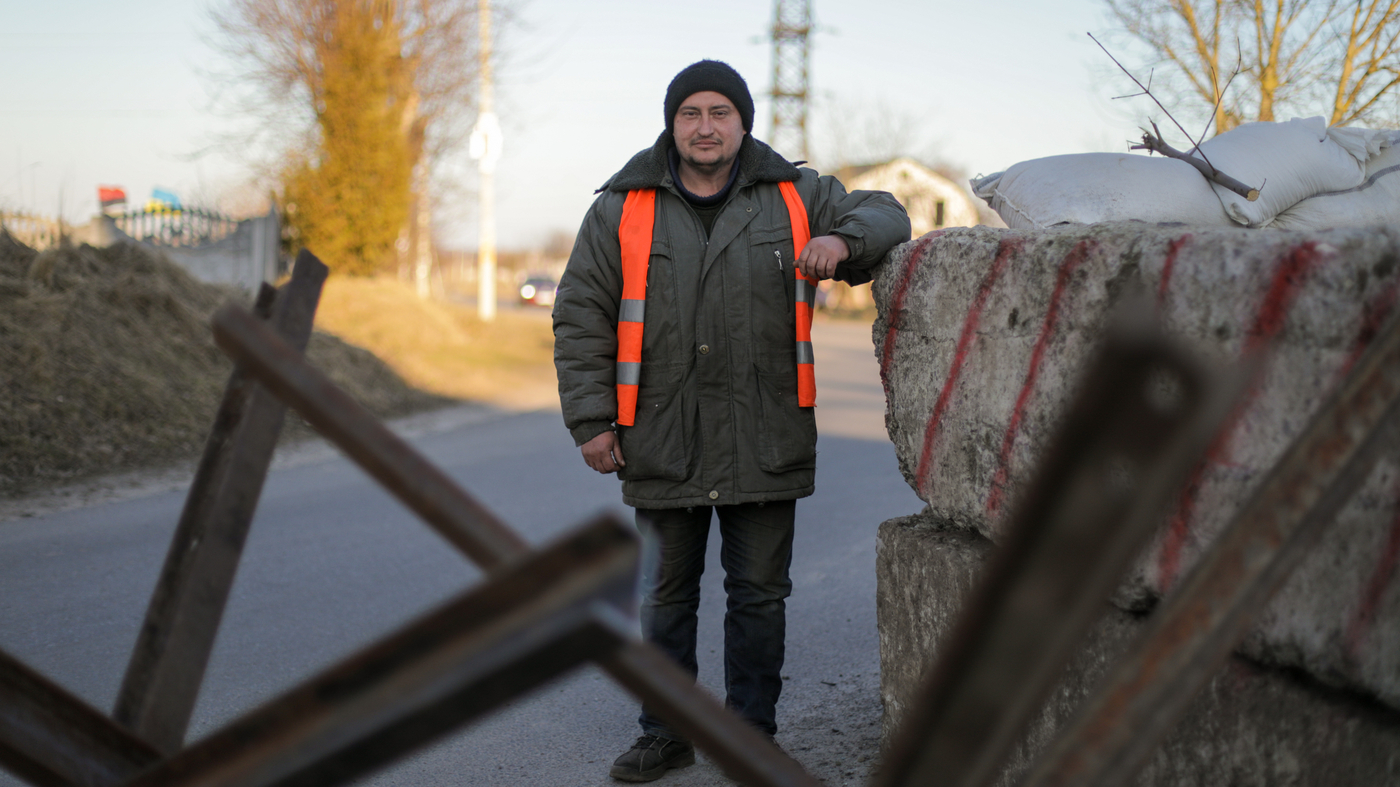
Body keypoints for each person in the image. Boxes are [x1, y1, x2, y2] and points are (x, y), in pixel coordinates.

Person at [552, 59, 910, 783]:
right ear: (671, 123)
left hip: (764, 434)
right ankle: (666, 732)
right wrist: (592, 420)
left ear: (743, 121)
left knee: (758, 597)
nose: (706, 126)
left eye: (720, 112)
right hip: (660, 437)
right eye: (692, 113)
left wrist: (843, 242)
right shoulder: (621, 207)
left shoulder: (798, 193)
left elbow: (888, 211)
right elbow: (579, 315)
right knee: (664, 595)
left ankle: (751, 733)